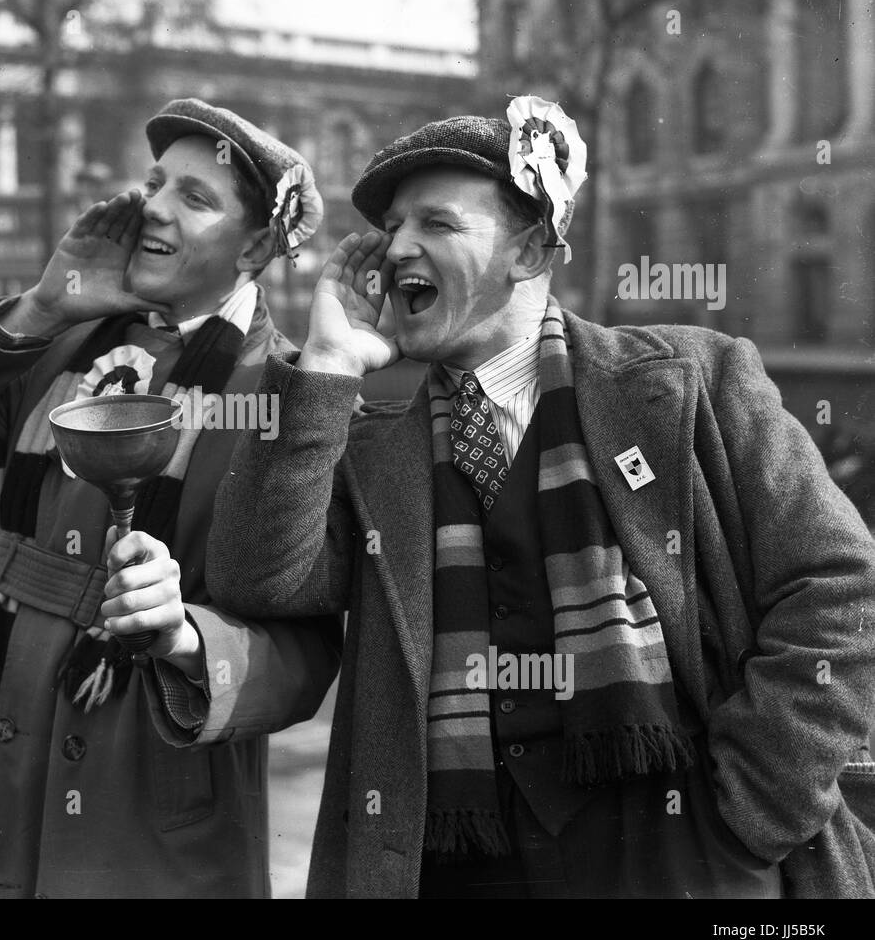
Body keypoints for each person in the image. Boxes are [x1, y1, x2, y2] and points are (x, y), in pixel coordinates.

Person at [206, 96, 875, 899]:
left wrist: (753, 811)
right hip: (457, 867)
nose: (396, 249)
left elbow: (840, 588)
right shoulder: (368, 445)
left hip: (691, 863)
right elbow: (257, 579)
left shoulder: (697, 380)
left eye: (437, 224)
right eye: (393, 228)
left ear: (528, 250)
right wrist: (325, 367)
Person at [0, 98, 341, 898]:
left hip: (142, 789)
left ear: (255, 245)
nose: (152, 204)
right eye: (155, 183)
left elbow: (306, 654)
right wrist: (41, 306)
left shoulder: (289, 396)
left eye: (195, 197)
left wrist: (186, 637)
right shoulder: (63, 343)